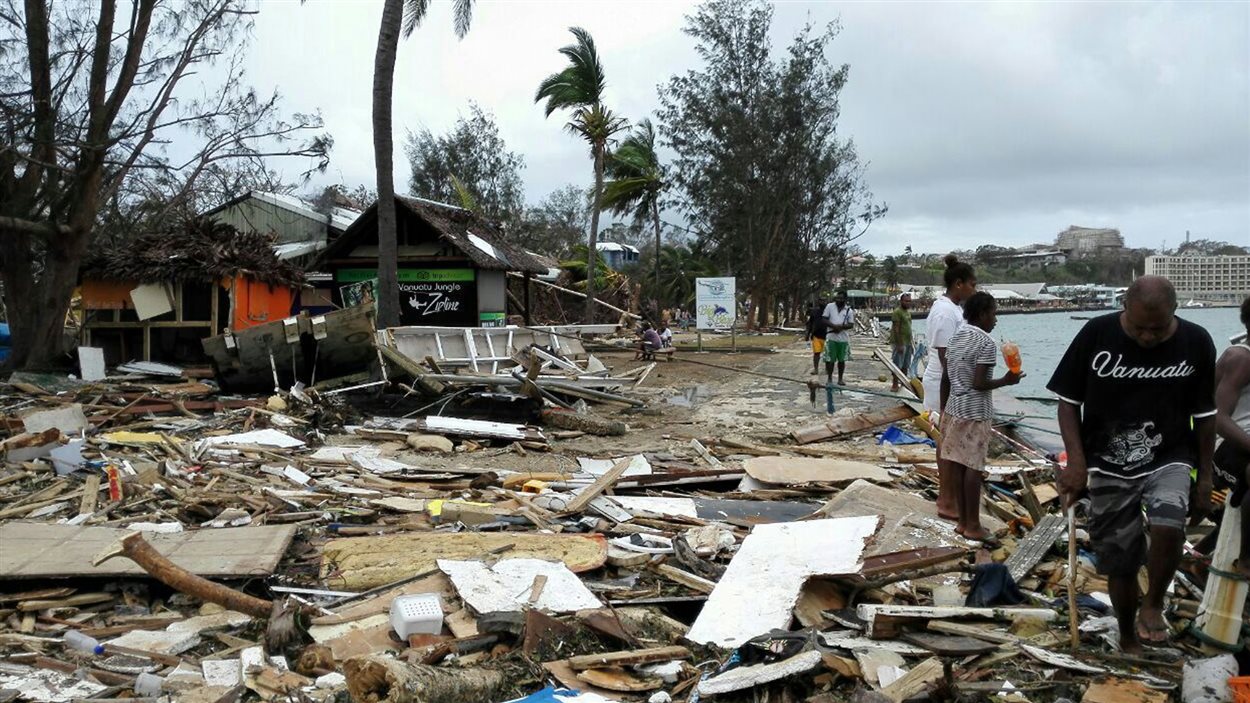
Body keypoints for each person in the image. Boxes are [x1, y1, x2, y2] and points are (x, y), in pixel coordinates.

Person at [1049, 275, 1215, 653]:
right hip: (1105, 461)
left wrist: (1204, 477)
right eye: (1139, 328)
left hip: (1170, 455)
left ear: (1175, 313)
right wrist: (1075, 463)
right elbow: (1068, 403)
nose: (1147, 337)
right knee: (1120, 558)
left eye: (1158, 329)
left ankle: (1154, 603)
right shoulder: (1096, 334)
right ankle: (1126, 635)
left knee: (1169, 522)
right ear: (1124, 308)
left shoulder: (1196, 341)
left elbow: (1206, 415)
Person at [942, 292, 1023, 544]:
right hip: (976, 412)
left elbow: (946, 376)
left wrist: (943, 408)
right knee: (974, 467)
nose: (995, 320)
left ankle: (962, 522)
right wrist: (1007, 380)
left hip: (954, 408)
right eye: (994, 313)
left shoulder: (956, 336)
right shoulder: (986, 343)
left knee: (956, 464)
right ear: (982, 314)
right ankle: (974, 525)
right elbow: (979, 383)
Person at [924, 255, 978, 520]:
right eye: (972, 285)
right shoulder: (944, 311)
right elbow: (947, 358)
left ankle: (951, 496)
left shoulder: (955, 309)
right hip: (944, 383)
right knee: (947, 442)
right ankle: (946, 500)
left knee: (951, 442)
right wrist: (958, 392)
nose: (974, 290)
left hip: (953, 383)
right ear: (959, 284)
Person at [1213, 295, 1250, 577]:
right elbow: (1219, 418)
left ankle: (1204, 553)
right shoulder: (1240, 358)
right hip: (1227, 445)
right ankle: (1246, 561)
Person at [822, 290, 855, 385]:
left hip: (843, 338)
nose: (838, 300)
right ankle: (829, 378)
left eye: (841, 298)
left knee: (841, 360)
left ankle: (840, 378)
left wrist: (841, 327)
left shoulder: (849, 310)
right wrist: (833, 326)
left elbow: (851, 324)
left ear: (845, 299)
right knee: (829, 359)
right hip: (831, 336)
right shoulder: (829, 306)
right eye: (837, 298)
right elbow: (824, 319)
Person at [889, 293, 914, 392]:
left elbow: (909, 327)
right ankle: (895, 384)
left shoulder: (907, 312)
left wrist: (911, 343)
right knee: (897, 364)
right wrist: (899, 344)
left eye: (909, 301)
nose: (908, 303)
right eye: (906, 301)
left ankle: (903, 384)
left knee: (905, 365)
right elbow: (896, 329)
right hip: (899, 342)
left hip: (907, 342)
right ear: (901, 301)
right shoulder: (897, 312)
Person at [805, 299, 828, 376]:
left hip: (827, 335)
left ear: (826, 302)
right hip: (816, 335)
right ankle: (816, 369)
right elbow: (810, 323)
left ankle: (827, 369)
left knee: (827, 354)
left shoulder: (829, 311)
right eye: (821, 300)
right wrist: (807, 334)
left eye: (824, 301)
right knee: (816, 353)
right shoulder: (814, 312)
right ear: (818, 302)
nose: (822, 302)